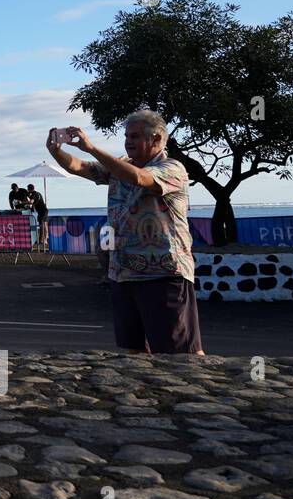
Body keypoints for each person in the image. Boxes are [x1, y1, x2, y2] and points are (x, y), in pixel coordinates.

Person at [46, 111, 203, 355]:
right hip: (123, 273)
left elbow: (141, 179)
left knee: (179, 353)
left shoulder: (172, 168)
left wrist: (92, 148)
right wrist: (56, 150)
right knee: (132, 352)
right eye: (127, 135)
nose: (128, 141)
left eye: (136, 136)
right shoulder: (120, 167)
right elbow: (79, 167)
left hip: (162, 273)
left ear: (157, 139)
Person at [27, 184, 49, 250]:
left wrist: (23, 202)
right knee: (42, 225)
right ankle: (43, 239)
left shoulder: (34, 194)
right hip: (41, 211)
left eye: (28, 189)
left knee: (43, 225)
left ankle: (44, 240)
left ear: (29, 189)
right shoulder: (37, 193)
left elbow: (31, 202)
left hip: (43, 211)